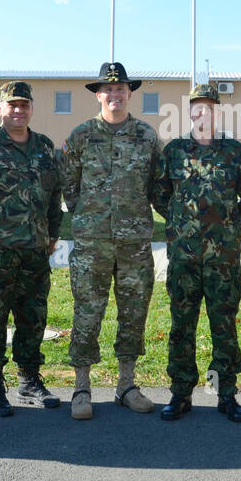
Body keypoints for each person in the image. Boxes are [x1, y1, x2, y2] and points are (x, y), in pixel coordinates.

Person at [154, 84, 241, 422]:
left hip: (223, 261)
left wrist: (226, 223)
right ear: (190, 112)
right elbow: (159, 196)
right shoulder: (174, 151)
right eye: (197, 108)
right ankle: (181, 393)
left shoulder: (234, 151)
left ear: (218, 112)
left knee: (224, 327)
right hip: (183, 260)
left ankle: (224, 393)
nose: (203, 113)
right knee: (181, 327)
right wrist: (178, 225)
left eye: (210, 108)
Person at [62, 62, 165, 420]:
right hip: (92, 244)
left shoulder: (147, 137)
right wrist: (88, 217)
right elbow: (69, 186)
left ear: (129, 93)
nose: (114, 94)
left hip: (135, 242)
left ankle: (126, 384)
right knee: (87, 313)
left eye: (121, 88)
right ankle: (81, 387)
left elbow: (158, 185)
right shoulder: (80, 136)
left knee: (134, 313)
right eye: (108, 89)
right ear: (97, 94)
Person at [0, 81, 63, 417]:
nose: (18, 111)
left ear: (31, 109)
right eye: (12, 105)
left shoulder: (45, 147)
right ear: (1, 109)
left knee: (33, 318)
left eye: (24, 105)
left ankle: (29, 379)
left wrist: (52, 235)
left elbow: (54, 196)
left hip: (34, 251)